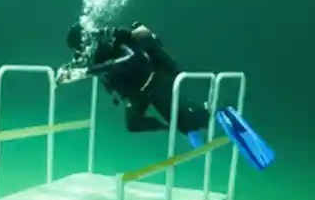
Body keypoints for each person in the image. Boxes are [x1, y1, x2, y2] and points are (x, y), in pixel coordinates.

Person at [58, 21, 212, 147]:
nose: (81, 52)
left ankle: (211, 113)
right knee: (133, 125)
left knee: (183, 122)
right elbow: (76, 65)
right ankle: (171, 126)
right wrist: (63, 72)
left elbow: (133, 60)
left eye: (80, 47)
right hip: (134, 95)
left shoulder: (112, 39)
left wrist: (89, 71)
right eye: (77, 50)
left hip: (152, 81)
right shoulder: (86, 53)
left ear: (86, 39)